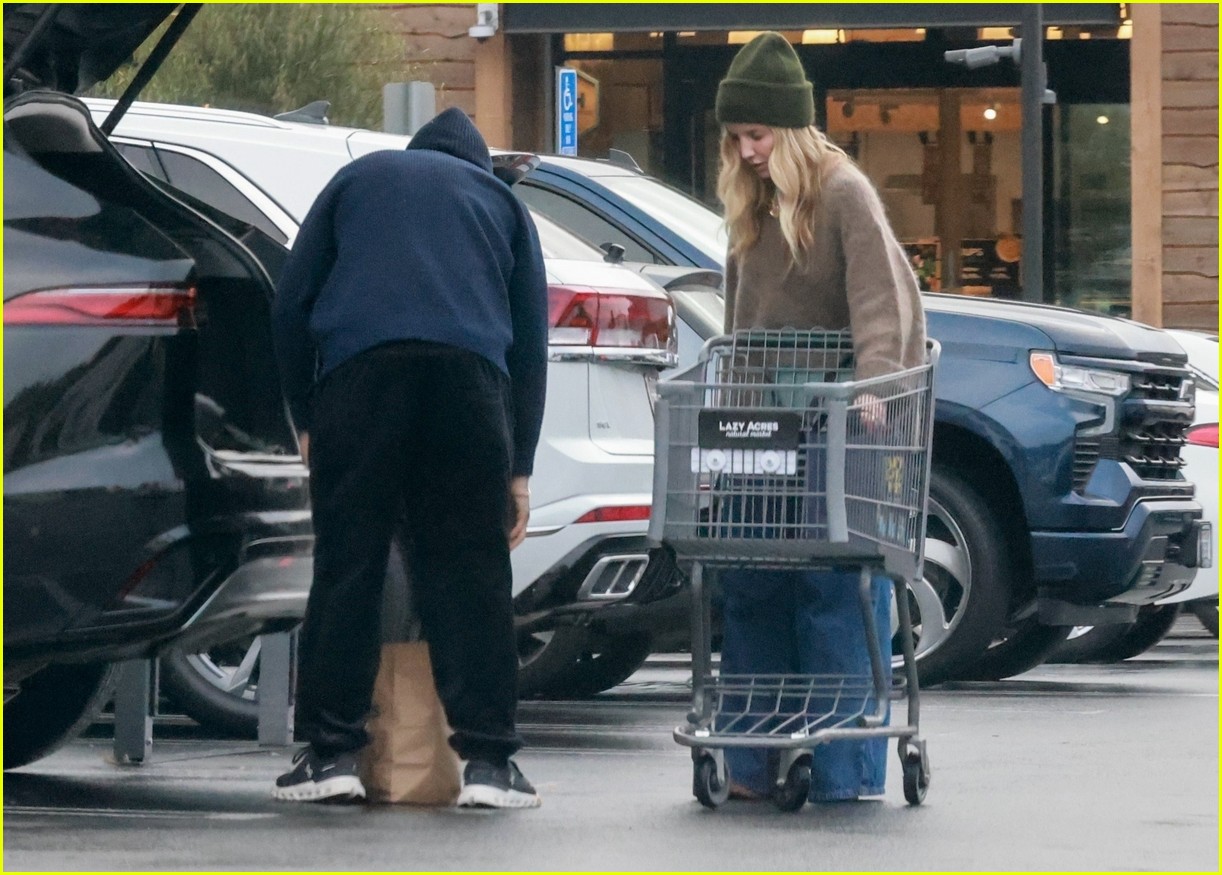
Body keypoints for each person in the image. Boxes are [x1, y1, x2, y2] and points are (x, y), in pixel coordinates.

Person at [269, 107, 548, 809]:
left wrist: (306, 414)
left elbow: (290, 303)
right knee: (471, 569)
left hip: (360, 375)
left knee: (349, 562)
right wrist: (519, 468)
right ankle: (489, 762)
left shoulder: (357, 179)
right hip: (469, 381)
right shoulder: (502, 204)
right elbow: (529, 345)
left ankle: (330, 753)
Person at [713, 32, 927, 802]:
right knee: (752, 584)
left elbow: (883, 296)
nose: (745, 151)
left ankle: (843, 768)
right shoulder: (753, 203)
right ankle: (747, 760)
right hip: (768, 424)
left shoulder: (843, 192)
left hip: (841, 421)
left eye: (758, 135)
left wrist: (874, 383)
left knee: (832, 592)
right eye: (736, 137)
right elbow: (740, 320)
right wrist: (727, 415)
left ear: (793, 130)